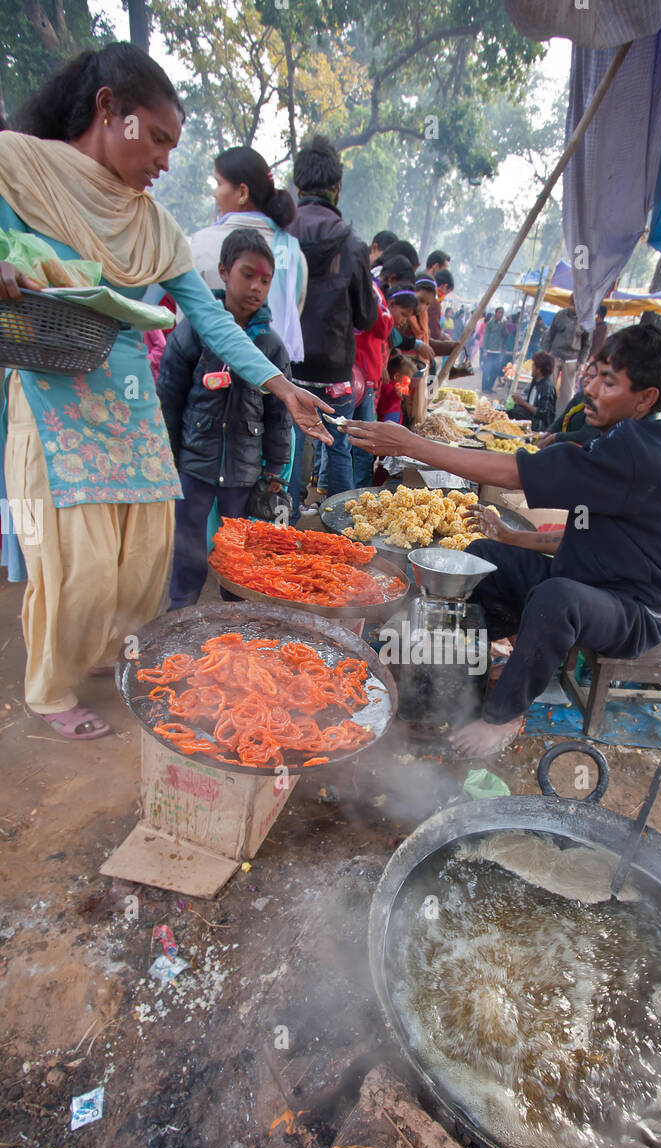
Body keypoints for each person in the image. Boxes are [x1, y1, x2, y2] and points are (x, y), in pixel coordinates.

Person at [0, 43, 331, 741]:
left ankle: (91, 652)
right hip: (52, 386)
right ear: (107, 111)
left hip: (127, 394)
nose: (165, 161)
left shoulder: (152, 225)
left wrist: (281, 387)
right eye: (156, 138)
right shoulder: (19, 170)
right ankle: (50, 689)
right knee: (80, 562)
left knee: (144, 557)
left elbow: (209, 315)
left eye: (174, 146)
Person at [346, 324, 661, 758]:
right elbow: (589, 533)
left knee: (556, 598)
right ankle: (458, 665)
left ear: (646, 398)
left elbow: (514, 472)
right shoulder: (615, 439)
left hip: (630, 610)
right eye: (594, 374)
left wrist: (415, 445)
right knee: (483, 557)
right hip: (587, 578)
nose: (590, 389)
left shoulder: (640, 452)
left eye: (609, 382)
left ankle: (504, 714)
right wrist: (513, 539)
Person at [157, 229, 291, 608]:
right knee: (188, 541)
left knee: (239, 548)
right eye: (247, 274)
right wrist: (167, 458)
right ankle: (181, 605)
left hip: (244, 469)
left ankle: (236, 612)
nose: (256, 287)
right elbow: (169, 398)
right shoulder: (194, 332)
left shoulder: (270, 346)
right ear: (223, 271)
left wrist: (276, 468)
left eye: (265, 280)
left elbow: (279, 415)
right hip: (194, 461)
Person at [286, 134, 378, 500]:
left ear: (297, 185)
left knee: (288, 448)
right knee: (337, 448)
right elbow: (365, 317)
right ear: (337, 188)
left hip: (285, 370)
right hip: (335, 373)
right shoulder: (352, 244)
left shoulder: (280, 236)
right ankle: (342, 536)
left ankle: (281, 529)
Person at [187, 145, 306, 372]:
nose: (214, 193)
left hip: (206, 381)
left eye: (219, 183)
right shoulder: (294, 254)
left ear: (242, 193)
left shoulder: (199, 244)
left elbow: (186, 325)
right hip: (273, 379)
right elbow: (294, 316)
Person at [351, 273, 394, 487]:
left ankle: (331, 494)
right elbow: (385, 327)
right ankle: (358, 493)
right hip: (362, 374)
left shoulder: (335, 284)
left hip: (341, 375)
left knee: (337, 442)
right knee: (363, 441)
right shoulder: (371, 291)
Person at [537, 357, 602, 448]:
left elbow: (584, 435)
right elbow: (561, 419)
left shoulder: (601, 405)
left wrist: (554, 437)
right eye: (586, 376)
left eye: (592, 377)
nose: (586, 380)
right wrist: (547, 433)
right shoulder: (580, 396)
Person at [543, 297, 584, 405]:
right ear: (570, 304)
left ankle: (562, 417)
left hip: (572, 359)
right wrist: (545, 353)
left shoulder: (585, 320)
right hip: (555, 355)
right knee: (549, 386)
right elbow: (550, 334)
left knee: (567, 392)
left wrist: (582, 363)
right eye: (573, 305)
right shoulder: (560, 315)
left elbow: (587, 344)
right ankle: (546, 409)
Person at [508, 351, 557, 432]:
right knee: (511, 411)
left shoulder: (547, 386)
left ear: (539, 369)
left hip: (539, 425)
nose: (531, 368)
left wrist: (523, 403)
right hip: (530, 418)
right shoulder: (535, 382)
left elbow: (545, 413)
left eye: (533, 366)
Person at [481, 306, 508, 391]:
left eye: (502, 313)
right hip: (489, 351)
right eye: (499, 312)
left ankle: (490, 387)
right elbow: (485, 337)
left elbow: (506, 336)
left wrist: (504, 327)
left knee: (495, 371)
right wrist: (485, 350)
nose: (500, 314)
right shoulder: (490, 323)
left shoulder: (502, 324)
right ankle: (484, 388)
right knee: (486, 371)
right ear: (495, 313)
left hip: (497, 352)